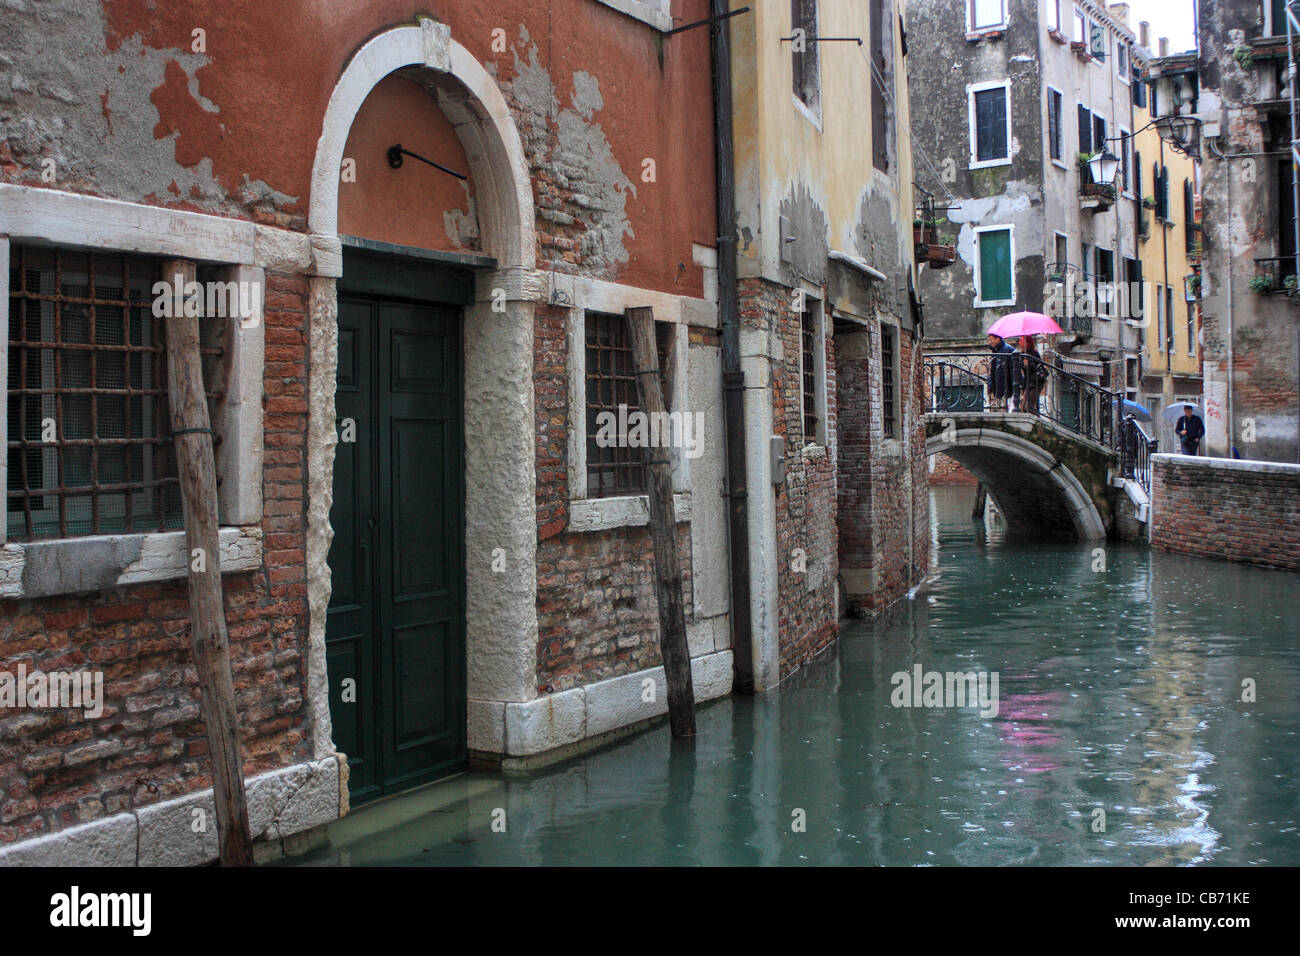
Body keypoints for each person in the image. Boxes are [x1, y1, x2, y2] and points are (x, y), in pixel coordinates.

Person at [986, 333, 1020, 411]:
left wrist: (1014, 389)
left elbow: (1013, 371)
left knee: (1004, 412)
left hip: (1005, 389)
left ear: (998, 338)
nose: (990, 342)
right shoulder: (995, 350)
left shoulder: (1008, 350)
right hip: (997, 389)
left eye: (991, 340)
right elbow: (992, 371)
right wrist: (990, 386)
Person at [1016, 334, 1048, 416]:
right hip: (1029, 382)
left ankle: (1037, 422)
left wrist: (1028, 364)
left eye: (1021, 341)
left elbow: (1038, 367)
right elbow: (1026, 373)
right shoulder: (1022, 354)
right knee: (1024, 406)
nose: (1019, 342)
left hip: (1036, 381)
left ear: (1027, 343)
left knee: (1028, 406)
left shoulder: (1033, 353)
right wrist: (1023, 388)